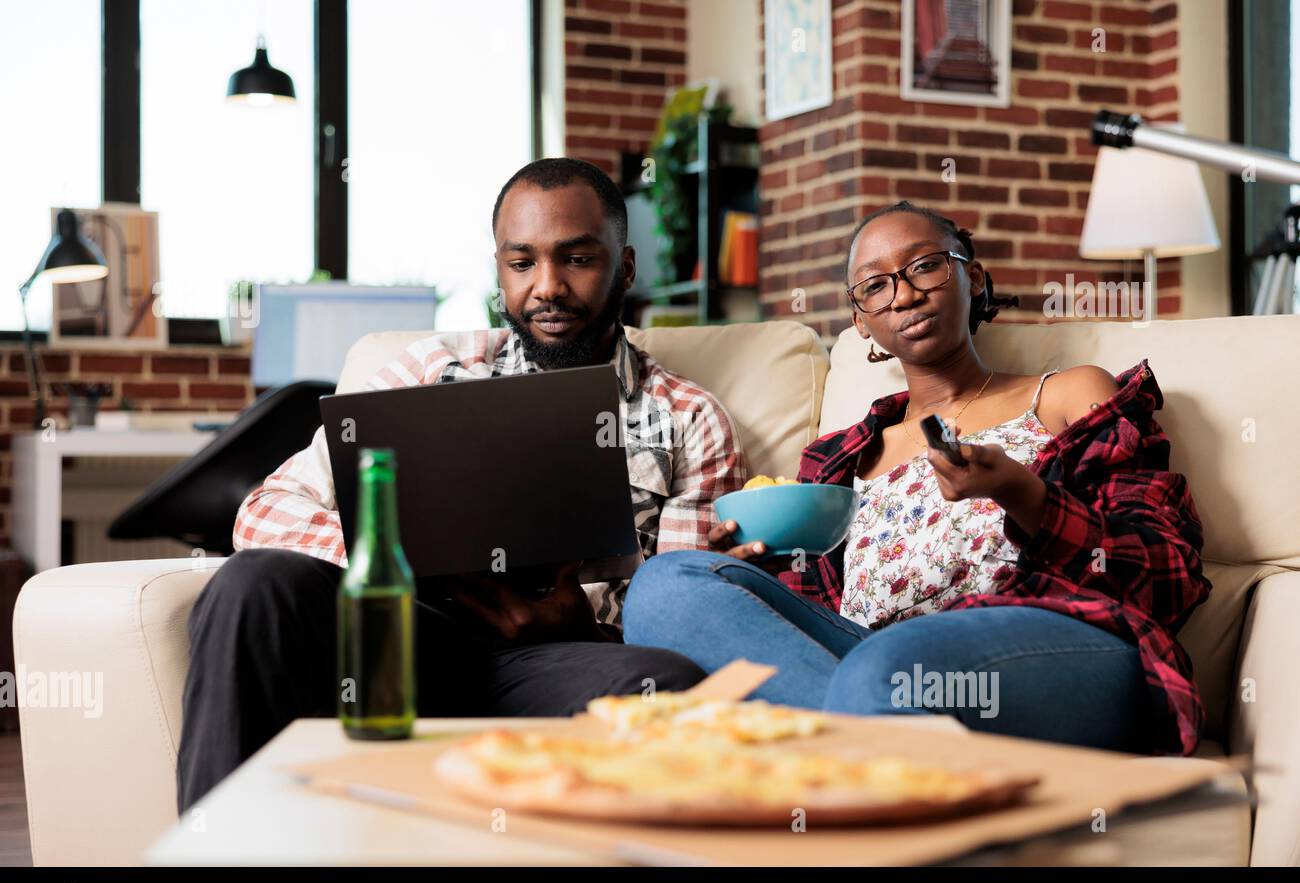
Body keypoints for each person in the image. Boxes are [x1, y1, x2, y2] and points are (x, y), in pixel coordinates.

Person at [177, 158, 746, 812]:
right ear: (499, 269)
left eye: (577, 260)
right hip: (406, 643)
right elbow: (265, 510)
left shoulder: (687, 418)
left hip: (552, 661)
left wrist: (581, 623)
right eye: (522, 262)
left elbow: (675, 606)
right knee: (252, 582)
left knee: (667, 681)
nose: (548, 287)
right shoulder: (429, 369)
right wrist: (392, 564)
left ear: (624, 267)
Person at [623, 200, 1212, 757]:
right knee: (667, 585)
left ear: (972, 278)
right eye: (875, 286)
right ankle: (890, 752)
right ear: (861, 321)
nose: (903, 295)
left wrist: (1021, 492)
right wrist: (760, 568)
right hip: (870, 658)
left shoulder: (1068, 394)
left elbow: (1168, 575)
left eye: (924, 267)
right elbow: (812, 616)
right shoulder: (837, 459)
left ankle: (849, 749)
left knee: (891, 670)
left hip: (1051, 647)